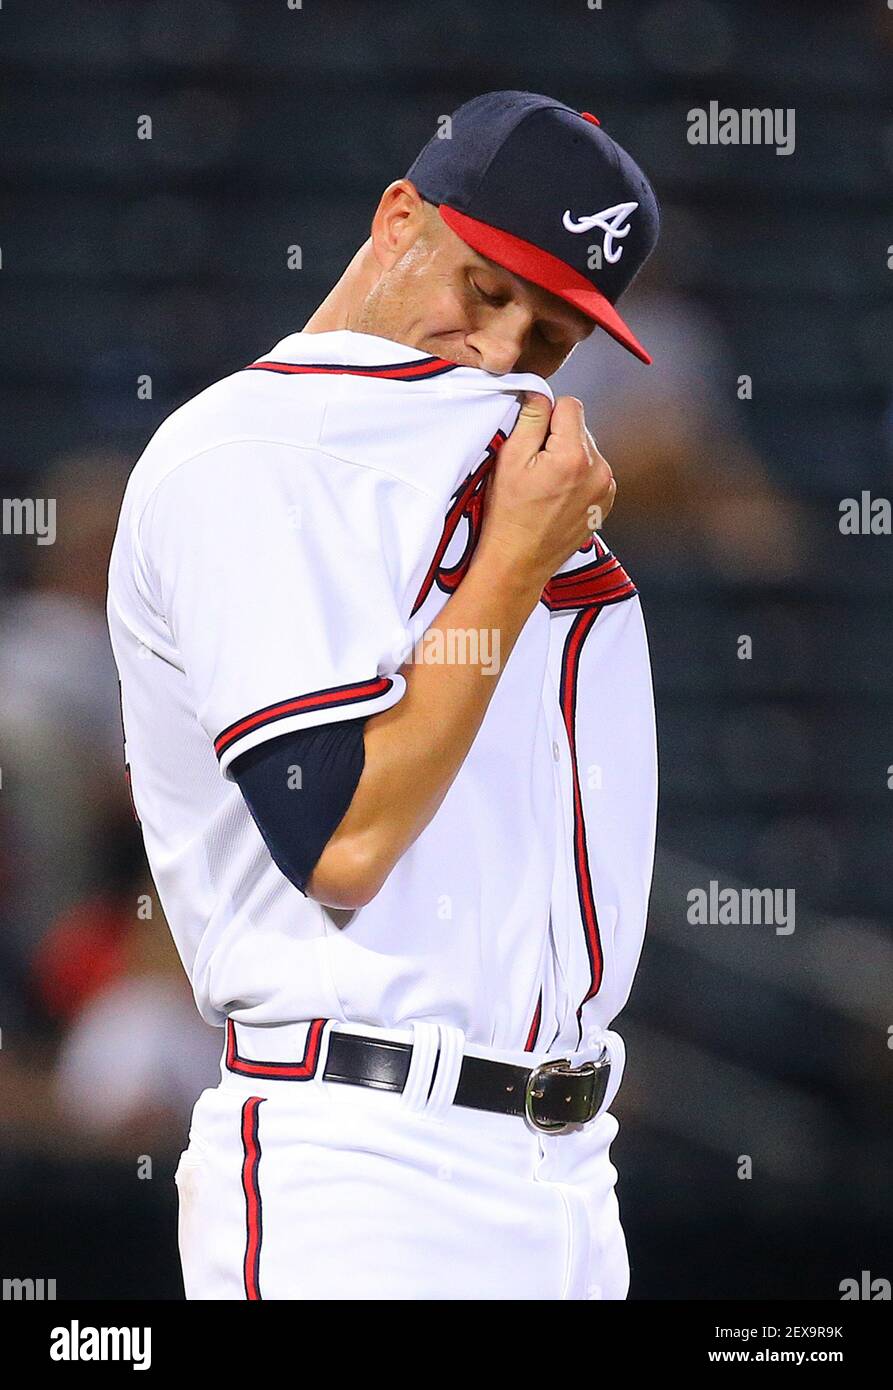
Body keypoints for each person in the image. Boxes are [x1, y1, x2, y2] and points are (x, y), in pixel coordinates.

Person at [107, 90, 660, 1300]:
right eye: (485, 287)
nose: (503, 350)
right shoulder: (250, 452)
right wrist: (513, 559)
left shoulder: (482, 453)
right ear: (398, 218)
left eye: (551, 335)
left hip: (566, 1166)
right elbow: (341, 838)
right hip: (358, 1164)